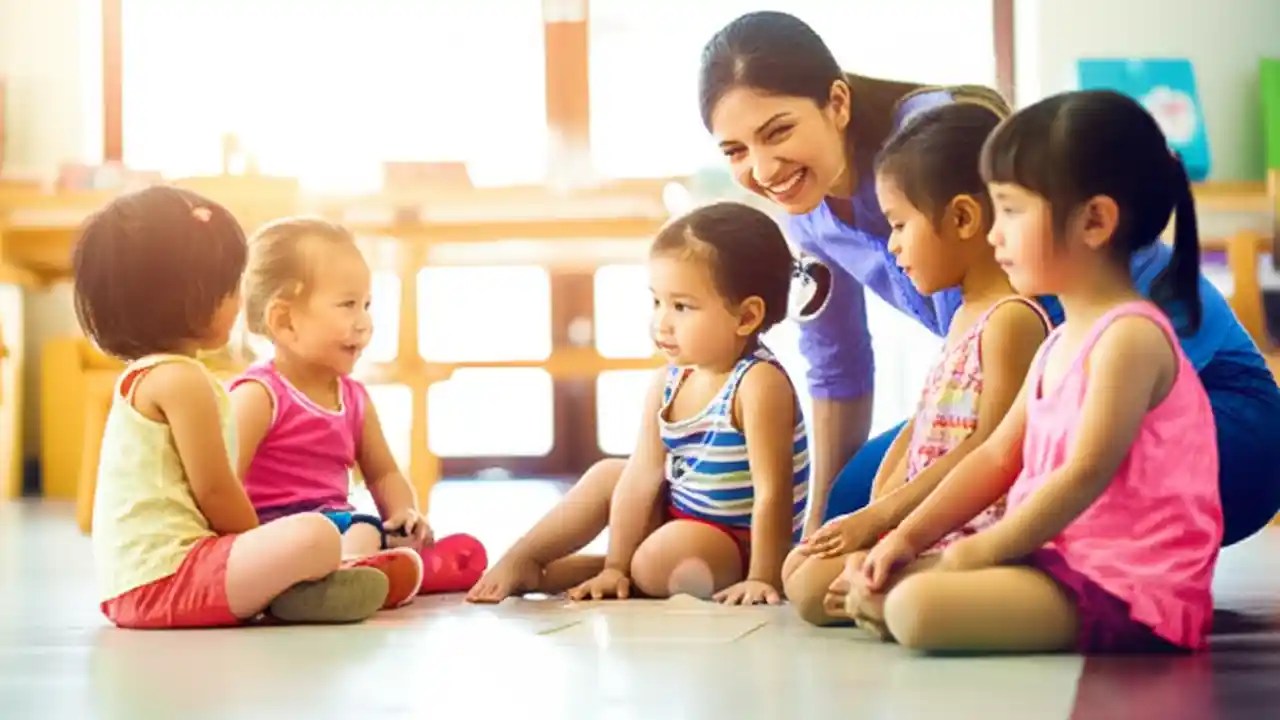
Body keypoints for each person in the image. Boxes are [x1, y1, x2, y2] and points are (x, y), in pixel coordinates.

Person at [831, 90, 1222, 653]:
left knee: (914, 608)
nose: (994, 234)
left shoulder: (1130, 338)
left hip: (1127, 589)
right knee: (877, 585)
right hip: (1060, 563)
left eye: (1011, 210)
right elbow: (994, 458)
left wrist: (968, 556)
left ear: (1094, 221)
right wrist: (906, 537)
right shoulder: (1058, 341)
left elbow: (1084, 474)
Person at [781, 102, 1050, 625]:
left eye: (900, 225)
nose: (893, 246)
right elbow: (922, 426)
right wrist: (876, 514)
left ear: (964, 218)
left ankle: (943, 584)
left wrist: (886, 522)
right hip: (924, 518)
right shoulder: (961, 316)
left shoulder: (1012, 320)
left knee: (821, 590)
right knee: (803, 570)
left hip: (973, 524)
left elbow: (990, 452)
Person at [79, 187, 389, 629]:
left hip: (136, 584)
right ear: (190, 297)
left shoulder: (149, 375)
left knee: (317, 535)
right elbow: (217, 492)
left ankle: (301, 591)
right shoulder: (183, 381)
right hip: (170, 581)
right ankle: (298, 588)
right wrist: (262, 543)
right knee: (315, 534)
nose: (240, 303)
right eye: (230, 289)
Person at [470, 202, 809, 604]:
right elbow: (642, 476)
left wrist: (764, 577)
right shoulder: (670, 381)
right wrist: (615, 565)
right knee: (607, 474)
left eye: (681, 306)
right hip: (680, 517)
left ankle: (560, 575)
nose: (661, 322)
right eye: (656, 302)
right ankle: (527, 557)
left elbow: (774, 492)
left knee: (655, 562)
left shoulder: (758, 383)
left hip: (736, 543)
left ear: (747, 316)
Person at [232, 218, 489, 604]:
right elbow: (223, 480)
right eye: (348, 304)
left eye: (367, 305)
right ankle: (370, 577)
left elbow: (384, 472)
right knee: (359, 534)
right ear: (285, 321)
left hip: (340, 528)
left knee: (369, 531)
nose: (365, 322)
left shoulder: (353, 398)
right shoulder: (259, 395)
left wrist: (405, 513)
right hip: (273, 536)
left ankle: (367, 573)